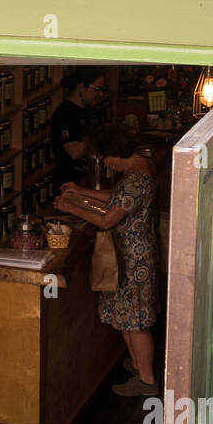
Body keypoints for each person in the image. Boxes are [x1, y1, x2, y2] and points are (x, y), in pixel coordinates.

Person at [53, 127, 159, 397]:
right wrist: (81, 191)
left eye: (105, 159)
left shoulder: (136, 180)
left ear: (116, 155)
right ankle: (137, 364)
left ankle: (146, 379)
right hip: (132, 255)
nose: (105, 165)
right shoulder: (139, 168)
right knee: (127, 317)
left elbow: (106, 219)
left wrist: (70, 207)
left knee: (135, 321)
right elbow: (117, 198)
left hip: (134, 259)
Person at [49, 68, 108, 192]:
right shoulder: (64, 114)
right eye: (97, 89)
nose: (100, 94)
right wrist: (101, 135)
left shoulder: (90, 109)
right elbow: (74, 152)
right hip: (70, 183)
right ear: (81, 86)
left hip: (90, 177)